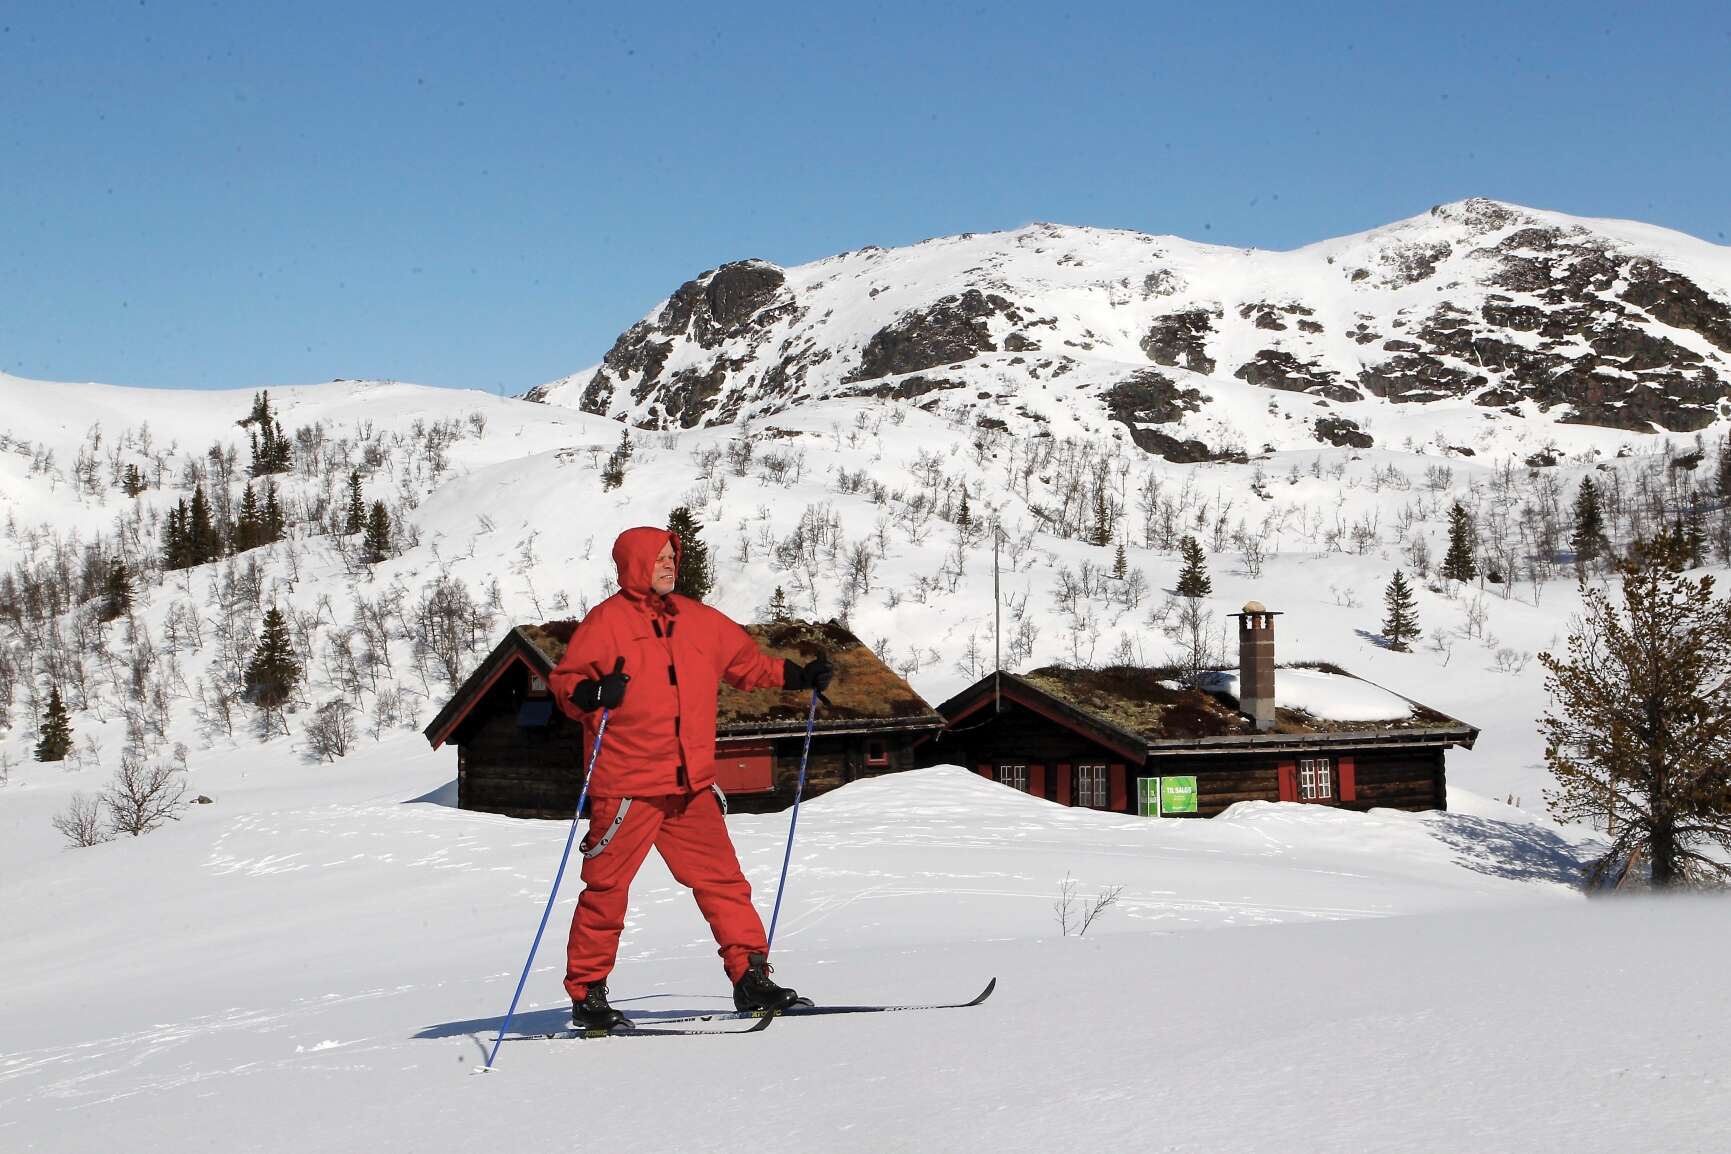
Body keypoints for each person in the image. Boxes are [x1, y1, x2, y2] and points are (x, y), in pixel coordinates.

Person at [548, 526, 834, 1030]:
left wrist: (797, 676)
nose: (667, 565)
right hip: (628, 788)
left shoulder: (699, 621)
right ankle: (588, 993)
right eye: (658, 558)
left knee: (724, 883)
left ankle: (751, 979)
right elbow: (566, 685)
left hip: (690, 788)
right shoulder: (605, 624)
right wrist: (594, 695)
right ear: (633, 563)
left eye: (671, 557)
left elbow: (748, 665)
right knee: (606, 889)